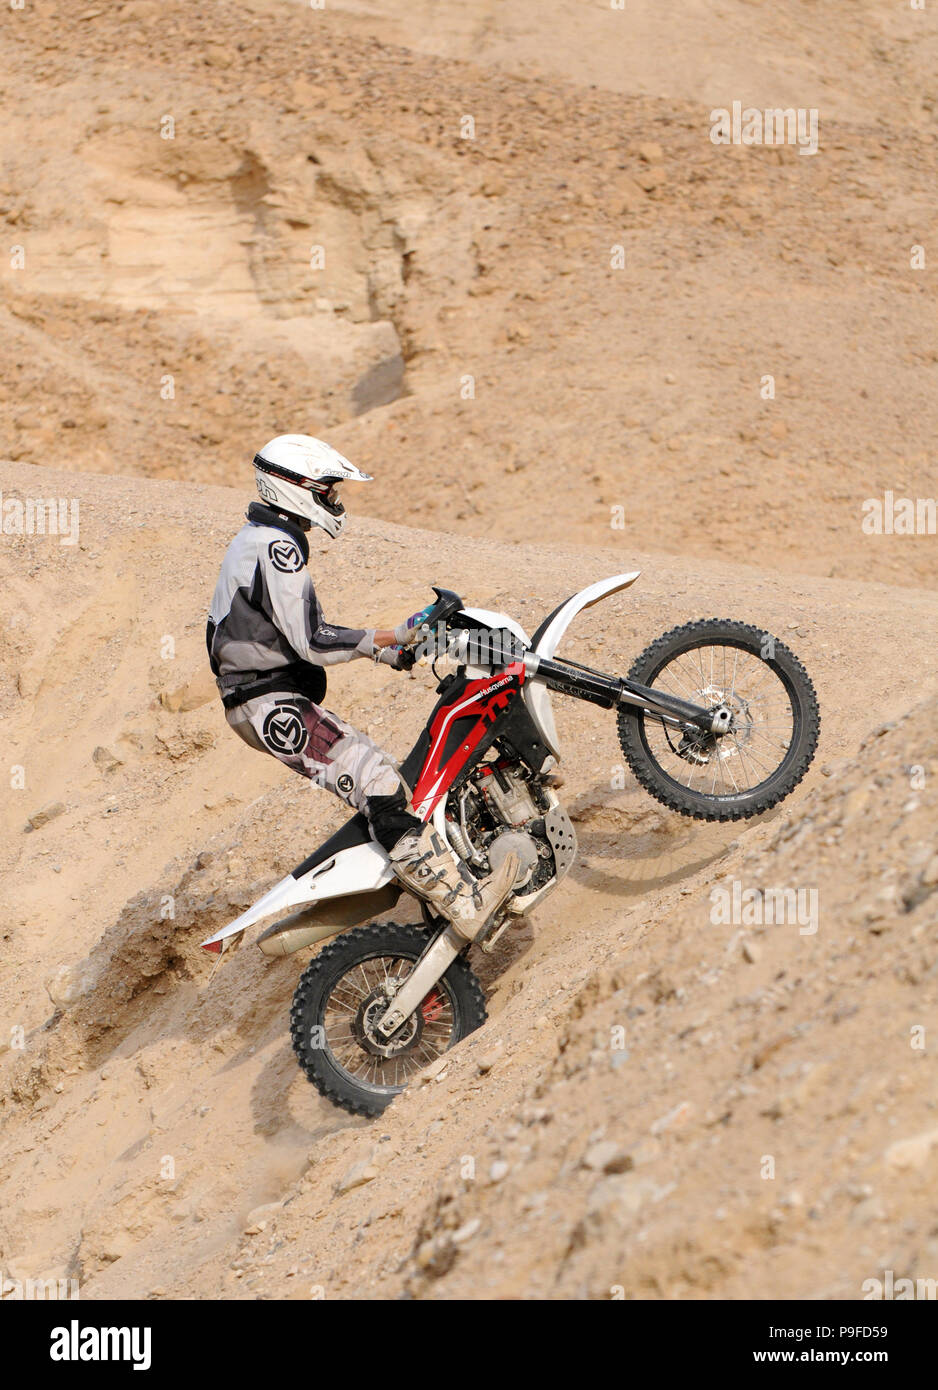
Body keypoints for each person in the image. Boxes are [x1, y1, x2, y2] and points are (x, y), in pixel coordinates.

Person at [206, 435, 517, 938]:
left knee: (391, 781)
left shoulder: (257, 539)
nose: (334, 500)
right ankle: (463, 904)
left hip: (266, 696)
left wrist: (393, 651)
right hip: (267, 704)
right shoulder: (275, 547)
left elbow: (290, 637)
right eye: (327, 489)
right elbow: (313, 641)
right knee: (381, 786)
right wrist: (389, 637)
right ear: (295, 488)